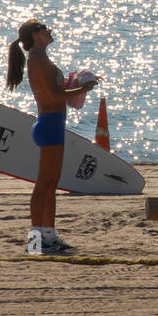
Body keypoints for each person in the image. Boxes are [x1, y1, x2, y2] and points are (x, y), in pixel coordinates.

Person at [6, 19, 97, 254]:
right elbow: (54, 96)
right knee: (44, 184)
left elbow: (56, 90)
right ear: (35, 34)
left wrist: (75, 82)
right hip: (49, 124)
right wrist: (83, 89)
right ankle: (36, 239)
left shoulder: (42, 59)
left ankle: (48, 236)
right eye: (44, 27)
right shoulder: (36, 60)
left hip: (53, 123)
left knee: (50, 184)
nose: (49, 30)